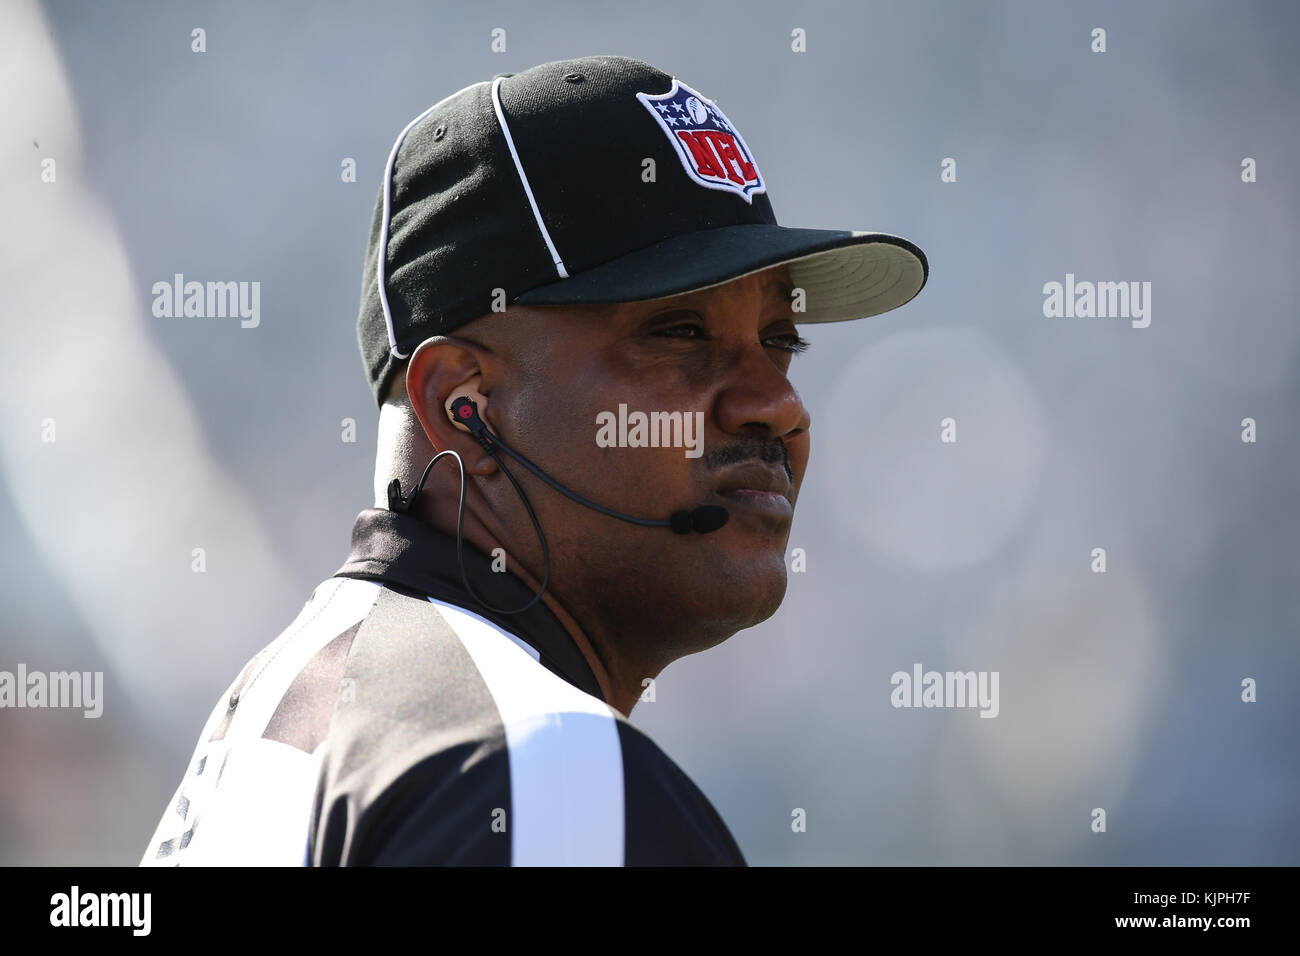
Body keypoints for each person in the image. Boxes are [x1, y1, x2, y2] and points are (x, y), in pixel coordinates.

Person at [139, 53, 927, 866]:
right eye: (680, 334)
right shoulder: (541, 772)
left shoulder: (275, 710)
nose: (777, 405)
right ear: (465, 408)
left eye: (779, 343)